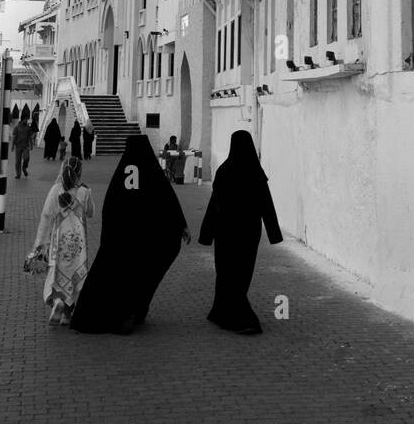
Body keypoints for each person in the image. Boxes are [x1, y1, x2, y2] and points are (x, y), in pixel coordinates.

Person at [71, 134, 190, 335]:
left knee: (117, 277)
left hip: (121, 239)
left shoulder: (121, 173)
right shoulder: (151, 171)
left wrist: (107, 236)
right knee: (141, 274)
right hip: (145, 238)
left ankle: (113, 315)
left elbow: (110, 205)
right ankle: (133, 311)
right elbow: (167, 200)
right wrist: (181, 225)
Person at [198, 130, 282, 335]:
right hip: (248, 232)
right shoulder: (256, 171)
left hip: (225, 232)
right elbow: (266, 204)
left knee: (226, 272)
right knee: (242, 273)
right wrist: (274, 234)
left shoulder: (225, 170)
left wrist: (206, 234)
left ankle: (229, 315)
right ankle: (236, 316)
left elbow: (214, 204)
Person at [28, 156, 95, 326]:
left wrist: (40, 242)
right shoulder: (84, 191)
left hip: (59, 240)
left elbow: (46, 215)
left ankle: (57, 301)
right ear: (79, 172)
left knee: (55, 272)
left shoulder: (55, 190)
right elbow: (90, 213)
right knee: (75, 275)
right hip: (78, 244)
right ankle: (67, 313)